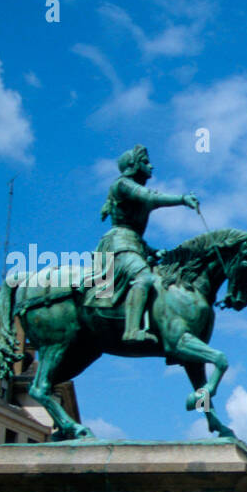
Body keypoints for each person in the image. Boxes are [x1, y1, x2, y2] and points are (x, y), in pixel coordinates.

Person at [97, 144, 200, 343]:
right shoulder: (123, 184)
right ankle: (132, 331)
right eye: (145, 162)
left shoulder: (133, 190)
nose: (151, 166)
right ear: (133, 165)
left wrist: (152, 250)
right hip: (118, 244)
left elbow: (136, 234)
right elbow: (150, 197)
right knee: (143, 277)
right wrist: (182, 199)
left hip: (133, 244)